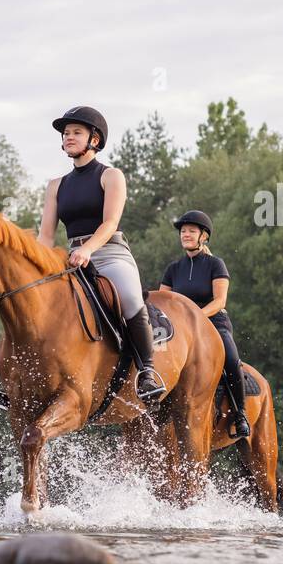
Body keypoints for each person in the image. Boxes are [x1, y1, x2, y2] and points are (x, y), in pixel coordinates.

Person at [38, 106, 165, 402]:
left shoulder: (111, 176)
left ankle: (147, 371)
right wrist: (38, 265)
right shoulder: (56, 185)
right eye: (66, 133)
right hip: (71, 259)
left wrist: (88, 249)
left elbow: (110, 223)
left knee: (132, 298)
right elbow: (45, 235)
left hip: (109, 253)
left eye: (76, 132)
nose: (69, 137)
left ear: (94, 139)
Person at [159, 210, 250, 438]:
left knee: (230, 359)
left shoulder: (215, 264)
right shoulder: (173, 269)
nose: (185, 235)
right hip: (180, 328)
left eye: (191, 231)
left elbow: (220, 301)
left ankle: (240, 414)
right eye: (183, 231)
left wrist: (195, 317)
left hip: (213, 322)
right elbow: (164, 301)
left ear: (204, 236)